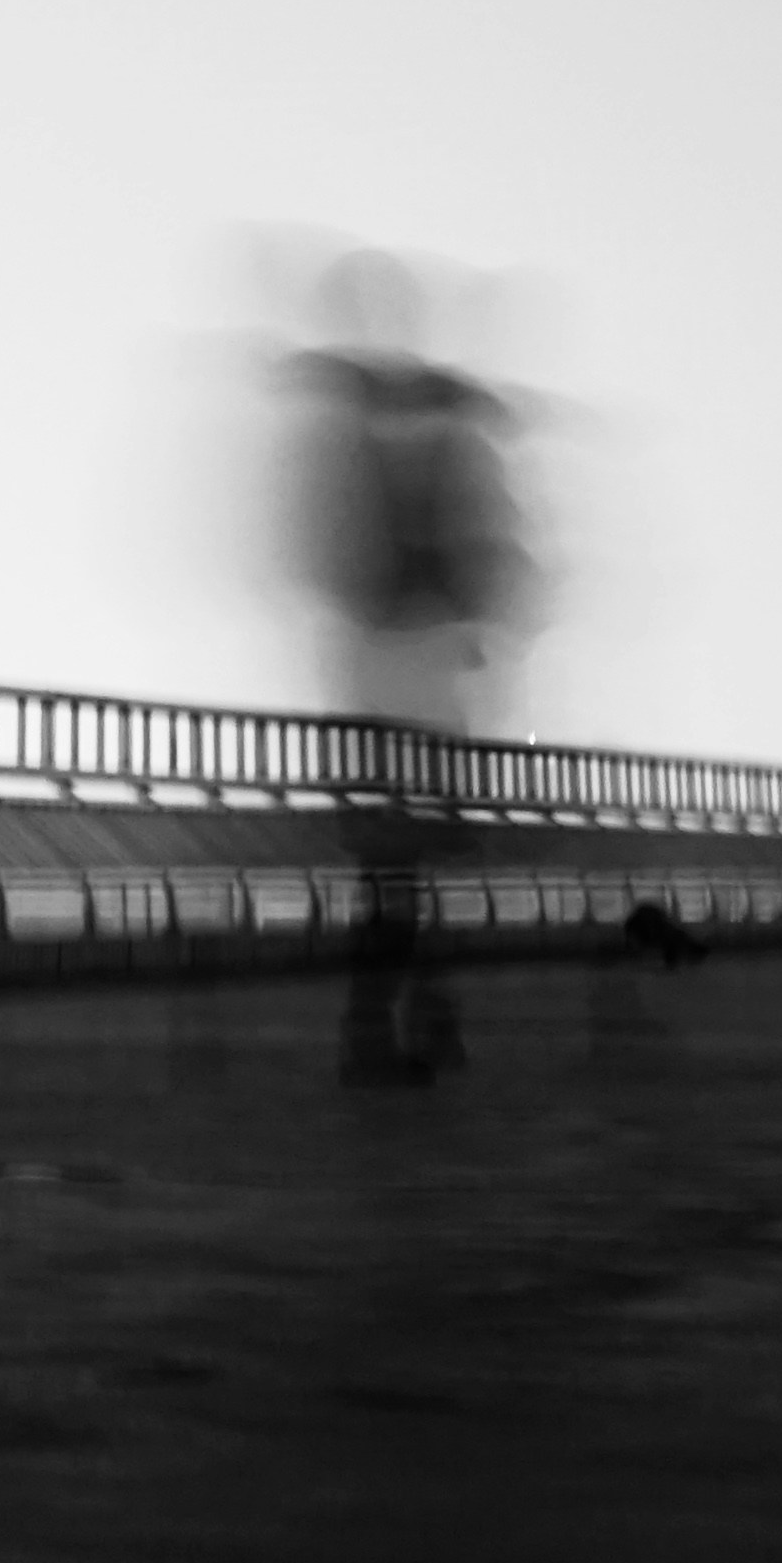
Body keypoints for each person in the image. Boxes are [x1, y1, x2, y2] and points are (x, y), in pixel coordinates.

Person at [280, 249, 534, 1085]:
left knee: (406, 870)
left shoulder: (364, 430)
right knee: (402, 870)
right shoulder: (369, 435)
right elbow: (349, 562)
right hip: (393, 686)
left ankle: (409, 1018)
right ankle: (388, 1027)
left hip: (404, 684)